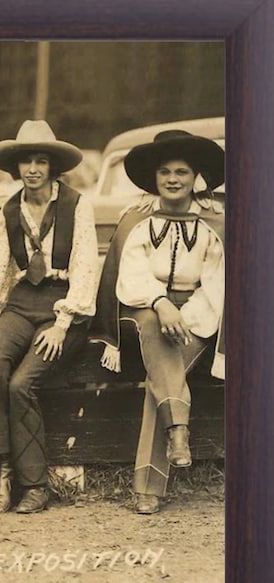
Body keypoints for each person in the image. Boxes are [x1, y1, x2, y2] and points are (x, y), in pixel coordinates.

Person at [0, 120, 99, 514]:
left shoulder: (77, 205)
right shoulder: (10, 210)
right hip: (23, 302)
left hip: (64, 304)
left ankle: (35, 485)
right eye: (26, 162)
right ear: (17, 168)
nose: (33, 169)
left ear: (53, 167)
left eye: (41, 161)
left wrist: (63, 324)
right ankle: (1, 470)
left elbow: (87, 265)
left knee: (22, 383)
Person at [91, 129, 225, 514]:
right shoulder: (138, 219)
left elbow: (218, 282)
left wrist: (186, 315)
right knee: (152, 324)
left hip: (197, 314)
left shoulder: (212, 222)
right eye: (164, 171)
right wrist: (161, 303)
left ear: (195, 176)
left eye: (181, 171)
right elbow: (129, 276)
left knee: (162, 377)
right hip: (141, 307)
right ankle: (178, 430)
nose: (172, 179)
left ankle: (153, 477)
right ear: (154, 177)